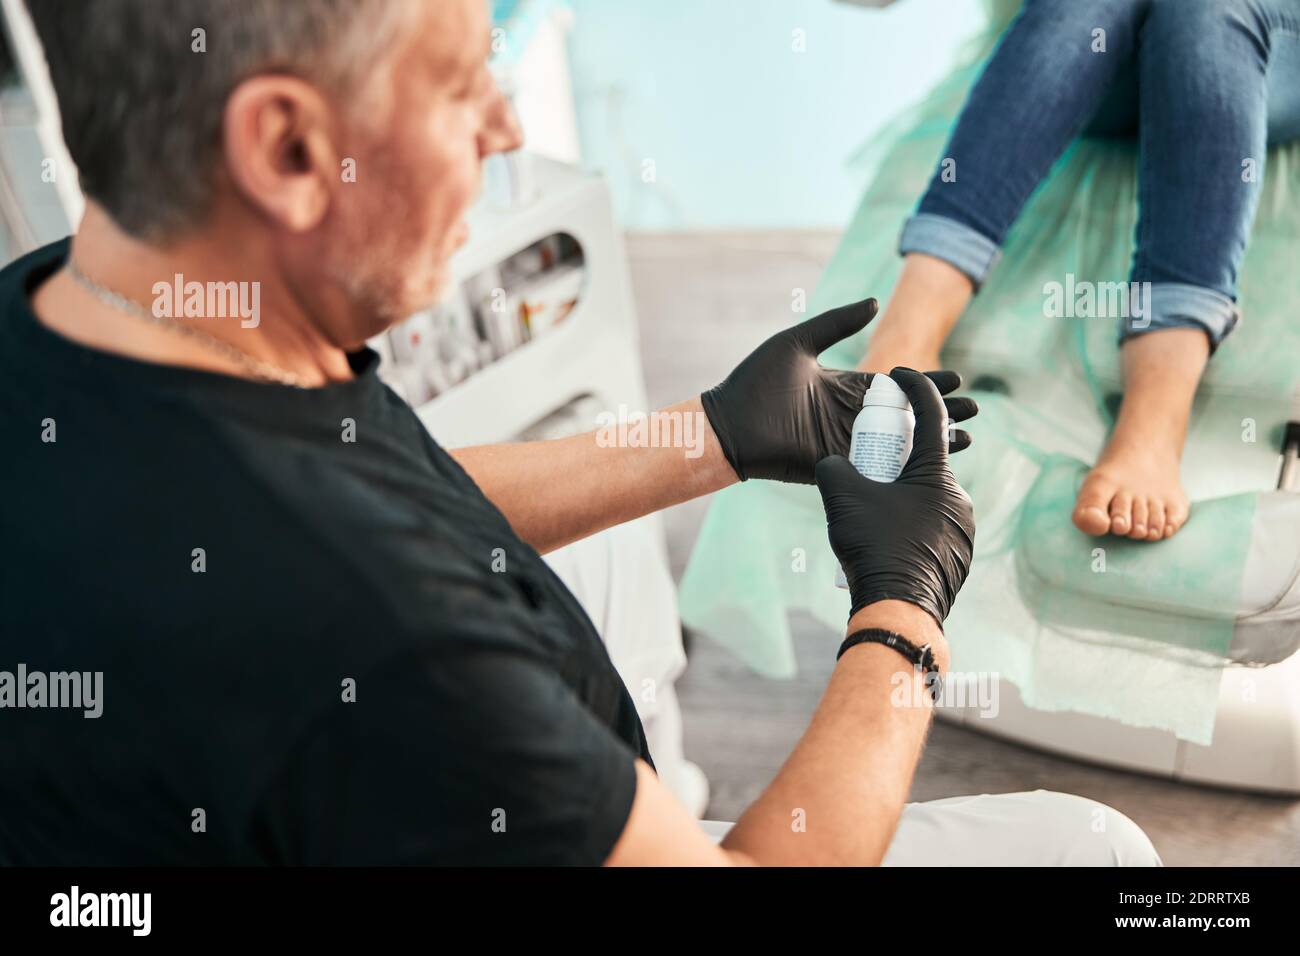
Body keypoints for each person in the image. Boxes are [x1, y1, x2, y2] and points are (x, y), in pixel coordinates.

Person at [0, 0, 1159, 866]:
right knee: (1098, 851)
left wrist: (716, 433)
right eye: (461, 88)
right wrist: (903, 613)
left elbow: (374, 486)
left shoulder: (78, 305)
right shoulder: (398, 649)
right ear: (290, 151)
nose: (506, 131)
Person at [859, 0, 1300, 542]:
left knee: (1207, 9)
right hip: (1105, 45)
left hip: (1260, 45)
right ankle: (903, 344)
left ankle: (1154, 424)